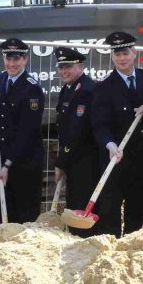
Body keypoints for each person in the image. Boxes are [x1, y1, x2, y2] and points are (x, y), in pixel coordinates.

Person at [90, 31, 143, 237]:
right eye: (117, 54)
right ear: (112, 57)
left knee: (137, 210)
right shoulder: (104, 88)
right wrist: (109, 144)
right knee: (110, 209)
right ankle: (110, 251)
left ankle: (132, 250)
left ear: (134, 53)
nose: (122, 58)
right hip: (116, 158)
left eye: (125, 53)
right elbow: (99, 124)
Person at [0, 38, 45, 224]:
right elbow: (4, 114)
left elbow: (27, 130)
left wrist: (8, 164)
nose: (11, 64)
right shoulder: (3, 79)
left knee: (26, 213)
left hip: (25, 160)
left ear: (25, 60)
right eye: (8, 58)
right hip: (6, 153)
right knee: (7, 209)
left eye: (16, 59)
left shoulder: (32, 88)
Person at [52, 46, 99, 234]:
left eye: (68, 67)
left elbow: (76, 131)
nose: (64, 71)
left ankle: (83, 243)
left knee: (81, 207)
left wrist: (60, 162)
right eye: (61, 67)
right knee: (73, 202)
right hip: (72, 159)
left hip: (86, 160)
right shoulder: (68, 89)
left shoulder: (86, 90)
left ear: (80, 66)